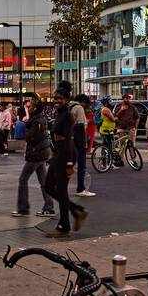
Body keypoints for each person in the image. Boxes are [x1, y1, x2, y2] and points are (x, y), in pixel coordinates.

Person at [46, 85, 87, 237]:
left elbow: (69, 139)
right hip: (59, 153)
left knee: (61, 191)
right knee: (49, 186)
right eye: (55, 98)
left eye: (60, 99)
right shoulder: (59, 113)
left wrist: (69, 164)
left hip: (66, 154)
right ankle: (76, 210)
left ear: (66, 100)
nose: (56, 101)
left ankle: (64, 226)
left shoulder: (68, 116)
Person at [11, 94, 55, 217]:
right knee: (44, 182)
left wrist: (25, 124)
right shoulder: (40, 119)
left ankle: (23, 209)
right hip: (42, 153)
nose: (28, 108)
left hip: (36, 154)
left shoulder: (35, 121)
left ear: (34, 109)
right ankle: (49, 207)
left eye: (30, 106)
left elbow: (29, 137)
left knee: (23, 179)